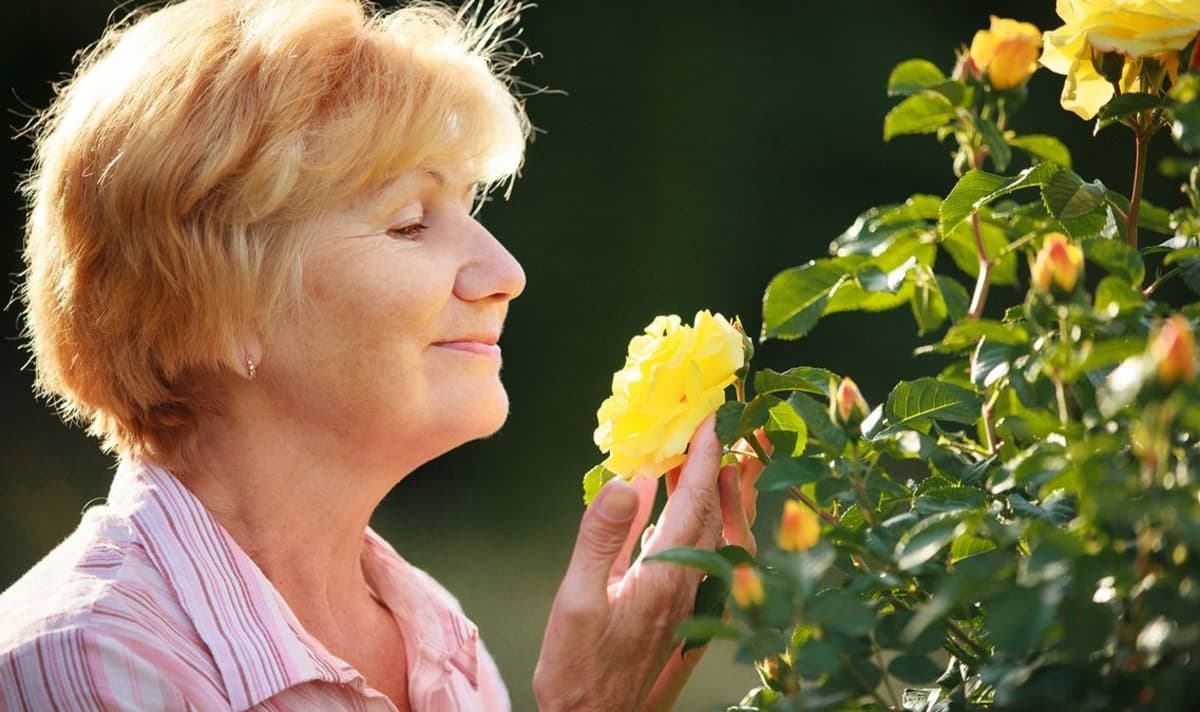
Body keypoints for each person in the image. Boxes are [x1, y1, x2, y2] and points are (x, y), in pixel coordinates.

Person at [0, 0, 761, 709]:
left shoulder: (440, 640)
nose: (506, 274)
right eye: (408, 223)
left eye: (467, 207)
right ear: (209, 311)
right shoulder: (92, 661)